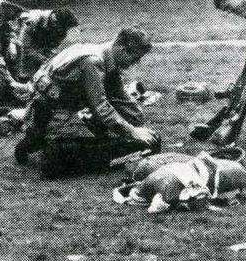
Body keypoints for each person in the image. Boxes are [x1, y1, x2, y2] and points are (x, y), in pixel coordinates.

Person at [13, 27, 161, 176]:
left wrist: (139, 126)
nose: (135, 63)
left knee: (123, 139)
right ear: (123, 50)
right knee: (71, 154)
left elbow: (121, 98)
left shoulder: (102, 53)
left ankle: (37, 137)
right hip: (52, 113)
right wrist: (133, 132)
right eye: (135, 59)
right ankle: (45, 143)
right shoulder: (93, 62)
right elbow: (101, 107)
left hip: (54, 108)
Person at [9, 8, 79, 81]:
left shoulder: (61, 29)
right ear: (55, 19)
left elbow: (51, 47)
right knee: (15, 52)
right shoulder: (34, 19)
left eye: (65, 28)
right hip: (15, 35)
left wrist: (47, 58)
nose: (63, 30)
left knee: (46, 61)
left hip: (35, 40)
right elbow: (24, 45)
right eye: (62, 27)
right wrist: (39, 57)